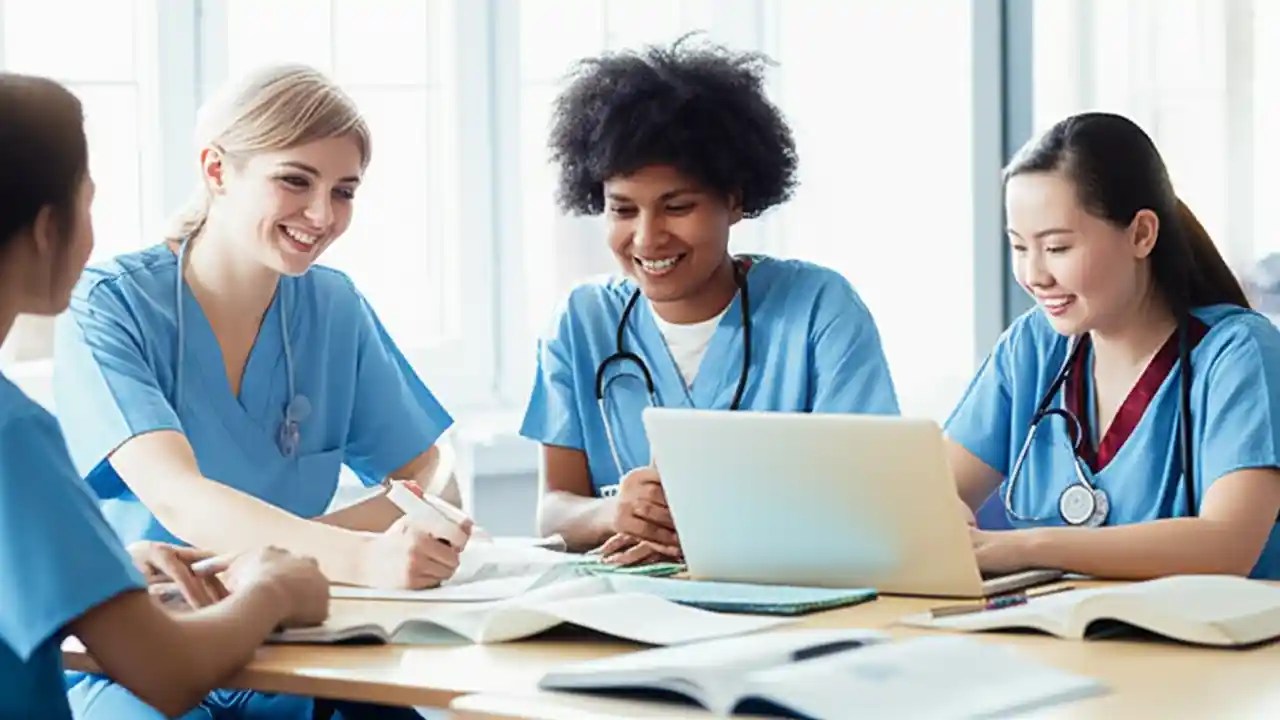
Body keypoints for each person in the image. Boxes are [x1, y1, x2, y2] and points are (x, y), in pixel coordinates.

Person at [52, 64, 470, 717]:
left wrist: (299, 556)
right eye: (295, 180)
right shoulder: (110, 306)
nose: (321, 215)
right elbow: (181, 498)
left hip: (298, 650)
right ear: (217, 170)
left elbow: (431, 475)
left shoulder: (333, 307)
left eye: (344, 191)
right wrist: (359, 557)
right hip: (140, 660)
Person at [0, 71, 330, 720]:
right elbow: (169, 671)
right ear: (48, 228)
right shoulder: (13, 433)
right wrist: (273, 589)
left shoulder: (333, 307)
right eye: (88, 203)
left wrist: (104, 570)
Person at [520, 36, 900, 565]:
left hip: (784, 600)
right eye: (623, 210)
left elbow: (873, 500)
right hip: (626, 609)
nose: (647, 238)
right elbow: (553, 511)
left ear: (735, 199)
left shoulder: (819, 310)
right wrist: (614, 514)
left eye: (677, 206)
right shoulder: (581, 322)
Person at [946, 112, 1280, 580]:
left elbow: (1225, 546)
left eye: (1057, 248)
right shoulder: (1032, 347)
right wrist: (943, 523)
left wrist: (1027, 547)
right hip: (1060, 638)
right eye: (1020, 248)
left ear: (1141, 234)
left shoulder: (1239, 353)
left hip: (1218, 649)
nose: (1034, 276)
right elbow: (931, 497)